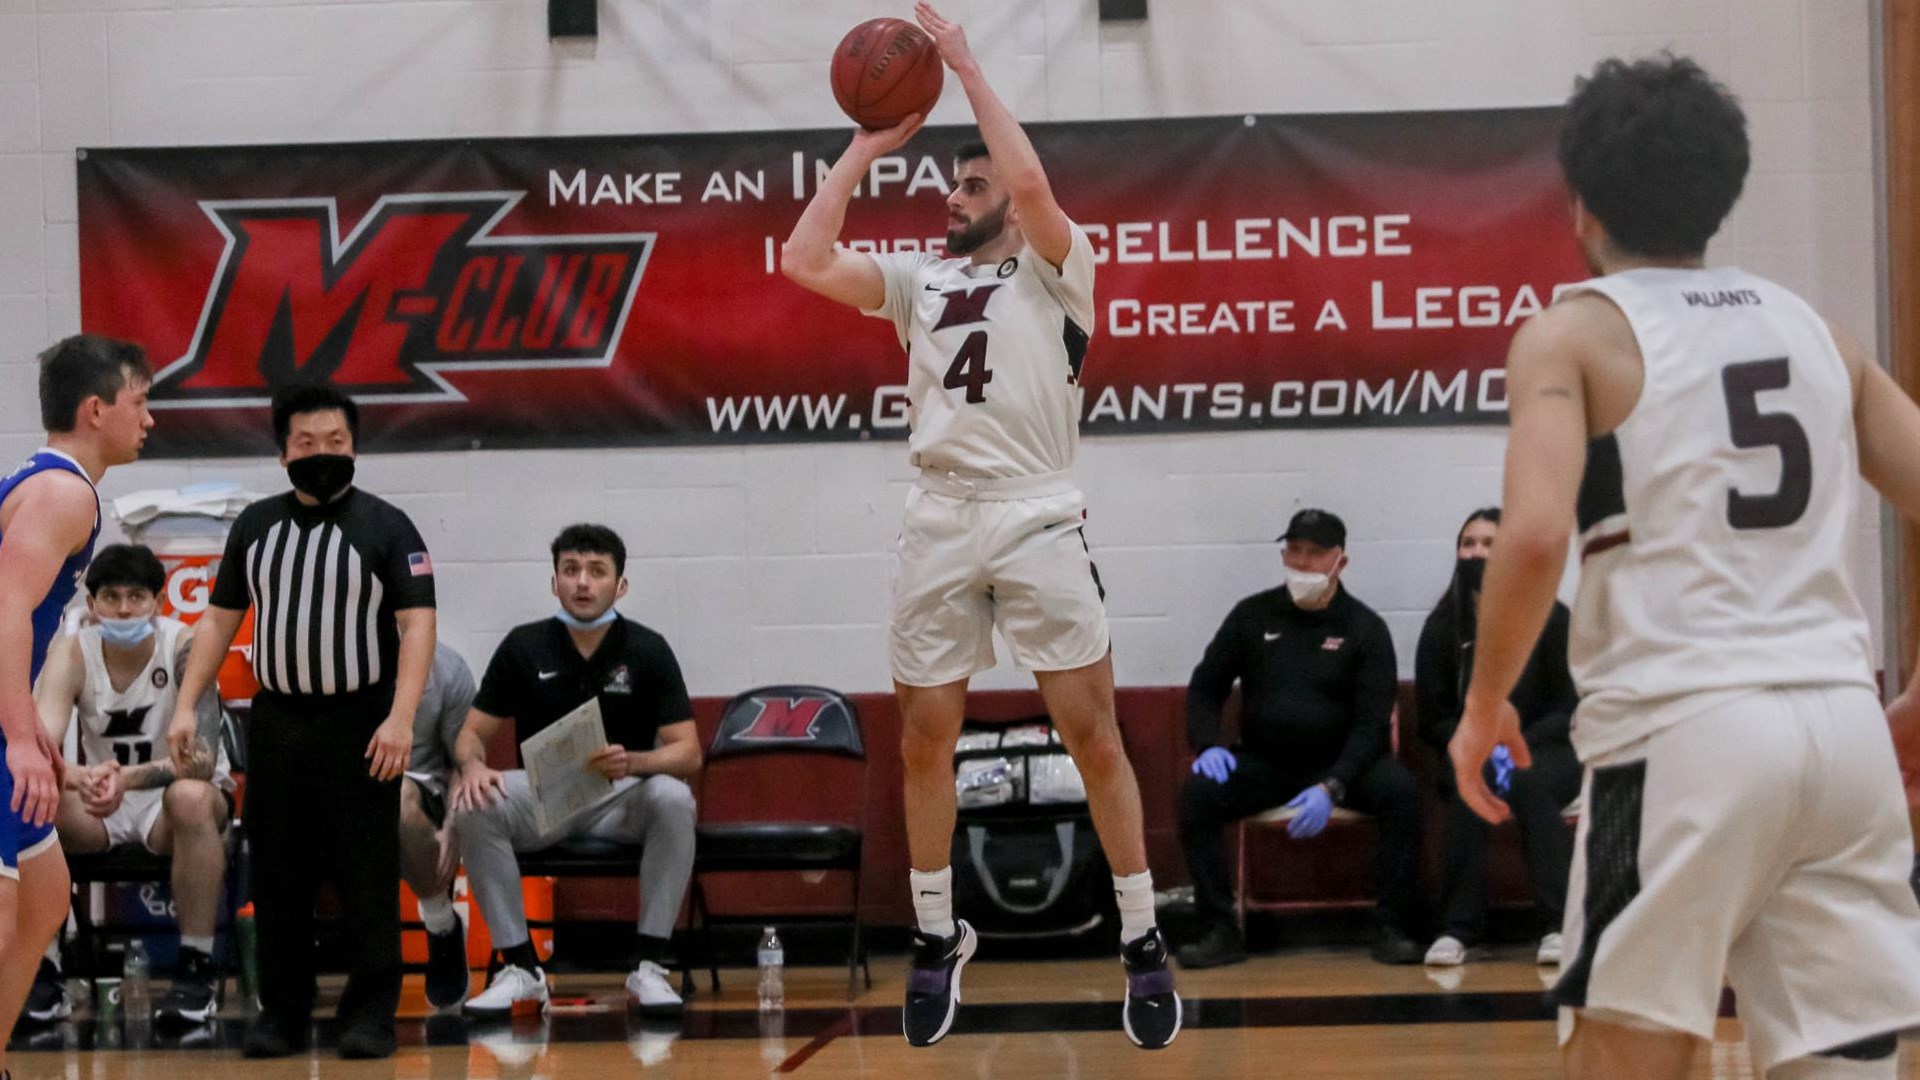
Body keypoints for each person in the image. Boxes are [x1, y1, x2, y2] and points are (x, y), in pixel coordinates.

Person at [1450, 54, 1920, 1080]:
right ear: (1724, 189)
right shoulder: (1819, 335)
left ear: (1579, 205)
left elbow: (1530, 538)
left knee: (1623, 1056)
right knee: (1842, 1064)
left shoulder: (1572, 333)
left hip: (1684, 736)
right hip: (1844, 736)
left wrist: (1483, 705)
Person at [779, 1, 1178, 1050]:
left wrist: (961, 65)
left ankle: (1140, 939)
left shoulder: (1060, 268)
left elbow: (1035, 183)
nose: (953, 195)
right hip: (939, 517)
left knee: (1092, 733)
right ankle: (931, 934)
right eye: (949, 183)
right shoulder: (921, 280)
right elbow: (804, 262)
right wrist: (864, 150)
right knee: (924, 739)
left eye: (969, 183)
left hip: (1038, 509)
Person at [166, 382, 436, 1061]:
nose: (322, 454)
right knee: (279, 874)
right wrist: (183, 707)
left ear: (356, 447)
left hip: (363, 721)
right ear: (283, 450)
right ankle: (282, 1013)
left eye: (336, 443)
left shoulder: (390, 526)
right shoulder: (255, 526)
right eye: (307, 443)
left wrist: (402, 718)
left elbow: (418, 625)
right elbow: (219, 619)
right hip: (280, 721)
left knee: (366, 873)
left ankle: (370, 1011)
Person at [449, 524, 700, 1020]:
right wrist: (473, 765)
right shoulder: (523, 646)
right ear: (555, 582)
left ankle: (649, 966)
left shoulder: (648, 649)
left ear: (620, 586)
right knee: (474, 802)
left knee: (675, 798)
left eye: (597, 571)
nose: (583, 582)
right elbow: (470, 734)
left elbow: (688, 752)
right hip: (545, 799)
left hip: (621, 796)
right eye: (571, 570)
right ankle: (521, 971)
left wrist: (637, 761)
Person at [1175, 509, 1424, 969]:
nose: (1301, 562)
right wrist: (1208, 743)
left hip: (1342, 765)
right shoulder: (1252, 616)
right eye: (1294, 550)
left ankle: (1393, 926)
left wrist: (1335, 785)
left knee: (1402, 794)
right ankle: (1219, 928)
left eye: (1314, 553)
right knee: (1197, 796)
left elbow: (1373, 724)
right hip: (1266, 762)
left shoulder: (1366, 628)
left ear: (1339, 562)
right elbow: (1204, 688)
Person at [0, 335, 151, 1078]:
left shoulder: (52, 484)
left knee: (45, 894)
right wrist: (19, 739)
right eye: (139, 399)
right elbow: (4, 610)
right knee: (1, 910)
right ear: (97, 409)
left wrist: (27, 728)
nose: (148, 417)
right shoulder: (65, 492)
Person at [29, 544, 231, 1028]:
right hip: (101, 800)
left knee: (190, 798)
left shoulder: (184, 646)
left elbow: (200, 763)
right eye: (112, 597)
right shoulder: (72, 651)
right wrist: (80, 778)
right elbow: (43, 748)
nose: (123, 608)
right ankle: (45, 965)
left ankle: (195, 967)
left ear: (159, 601)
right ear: (92, 605)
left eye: (136, 596)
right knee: (31, 796)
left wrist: (127, 778)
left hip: (172, 801)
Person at [1415, 509, 1579, 968]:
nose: (1477, 553)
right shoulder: (1442, 627)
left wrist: (1514, 745)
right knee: (1474, 781)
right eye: (1468, 543)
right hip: (1470, 751)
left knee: (1524, 780)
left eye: (1489, 543)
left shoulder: (1551, 617)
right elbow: (1432, 718)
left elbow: (1568, 705)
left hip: (1545, 751)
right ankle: (1457, 929)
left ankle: (1557, 925)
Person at [398, 642, 478, 1011]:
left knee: (396, 797)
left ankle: (440, 923)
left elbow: (466, 763)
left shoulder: (447, 667)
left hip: (418, 787)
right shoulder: (333, 659)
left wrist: (454, 822)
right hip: (344, 786)